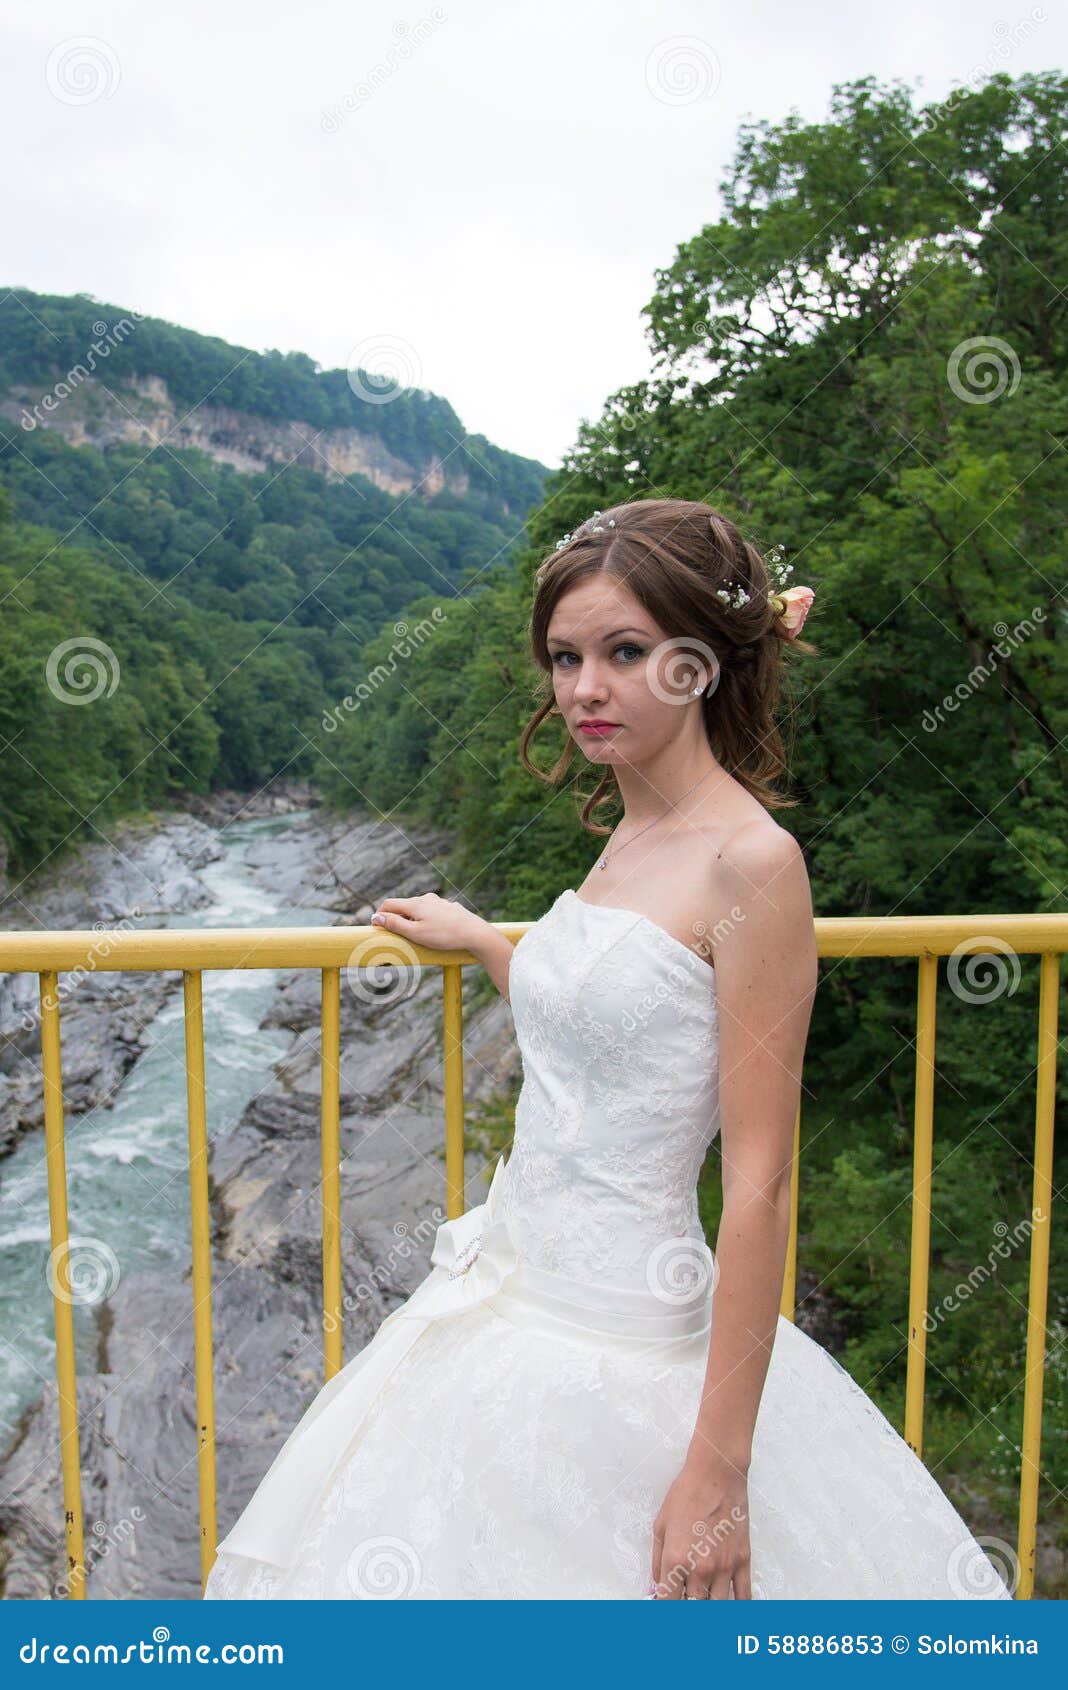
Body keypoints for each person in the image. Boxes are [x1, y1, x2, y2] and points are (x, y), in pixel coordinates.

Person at [204, 498, 1014, 1601]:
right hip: (503, 1291)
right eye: (566, 656)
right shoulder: (631, 829)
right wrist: (495, 946)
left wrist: (718, 1472)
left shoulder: (753, 863)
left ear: (701, 665)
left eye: (624, 653)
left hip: (625, 1338)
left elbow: (764, 1179)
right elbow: (624, 1026)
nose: (585, 688)